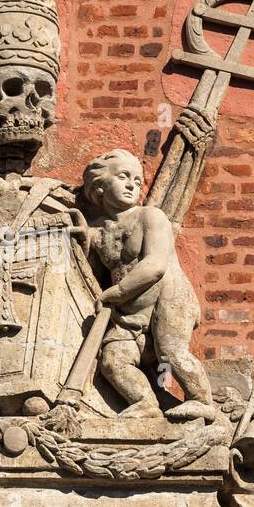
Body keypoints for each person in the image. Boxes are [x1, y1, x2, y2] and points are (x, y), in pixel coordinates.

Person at [81, 149, 215, 420]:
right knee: (112, 360)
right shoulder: (96, 230)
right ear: (99, 186)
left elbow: (155, 265)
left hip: (168, 297)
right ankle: (145, 402)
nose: (132, 184)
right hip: (130, 312)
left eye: (137, 180)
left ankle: (201, 400)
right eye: (123, 177)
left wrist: (116, 293)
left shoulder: (151, 216)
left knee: (170, 351)